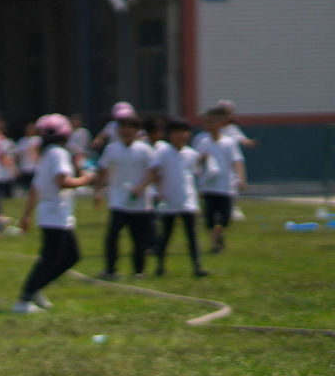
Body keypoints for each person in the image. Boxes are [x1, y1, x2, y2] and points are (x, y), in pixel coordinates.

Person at [13, 114, 96, 313]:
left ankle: (36, 290)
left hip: (53, 213)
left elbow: (35, 188)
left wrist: (26, 215)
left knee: (70, 256)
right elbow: (62, 181)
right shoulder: (58, 153)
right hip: (55, 213)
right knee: (53, 258)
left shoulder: (47, 153)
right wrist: (86, 179)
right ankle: (24, 299)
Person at [141, 117, 208, 277]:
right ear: (170, 135)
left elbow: (195, 175)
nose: (180, 136)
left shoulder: (191, 154)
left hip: (188, 200)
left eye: (183, 132)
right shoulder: (163, 153)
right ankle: (160, 265)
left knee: (191, 234)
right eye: (176, 132)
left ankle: (197, 266)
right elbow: (154, 172)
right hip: (169, 200)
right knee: (165, 235)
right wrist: (159, 190)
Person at [94, 111, 155, 279]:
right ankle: (110, 269)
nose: (127, 131)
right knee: (112, 236)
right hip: (118, 201)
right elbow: (103, 171)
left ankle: (138, 271)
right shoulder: (112, 149)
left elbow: (153, 172)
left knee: (139, 240)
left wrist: (141, 187)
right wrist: (98, 191)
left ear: (137, 131)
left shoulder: (145, 150)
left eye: (131, 127)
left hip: (140, 202)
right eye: (123, 127)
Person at [195, 107, 247, 253]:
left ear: (220, 124)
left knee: (225, 217)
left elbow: (237, 161)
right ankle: (216, 244)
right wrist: (201, 159)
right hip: (208, 185)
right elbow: (194, 163)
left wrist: (241, 178)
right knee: (210, 218)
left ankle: (219, 233)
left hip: (225, 185)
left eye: (212, 122)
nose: (209, 126)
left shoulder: (229, 142)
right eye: (206, 123)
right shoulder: (201, 141)